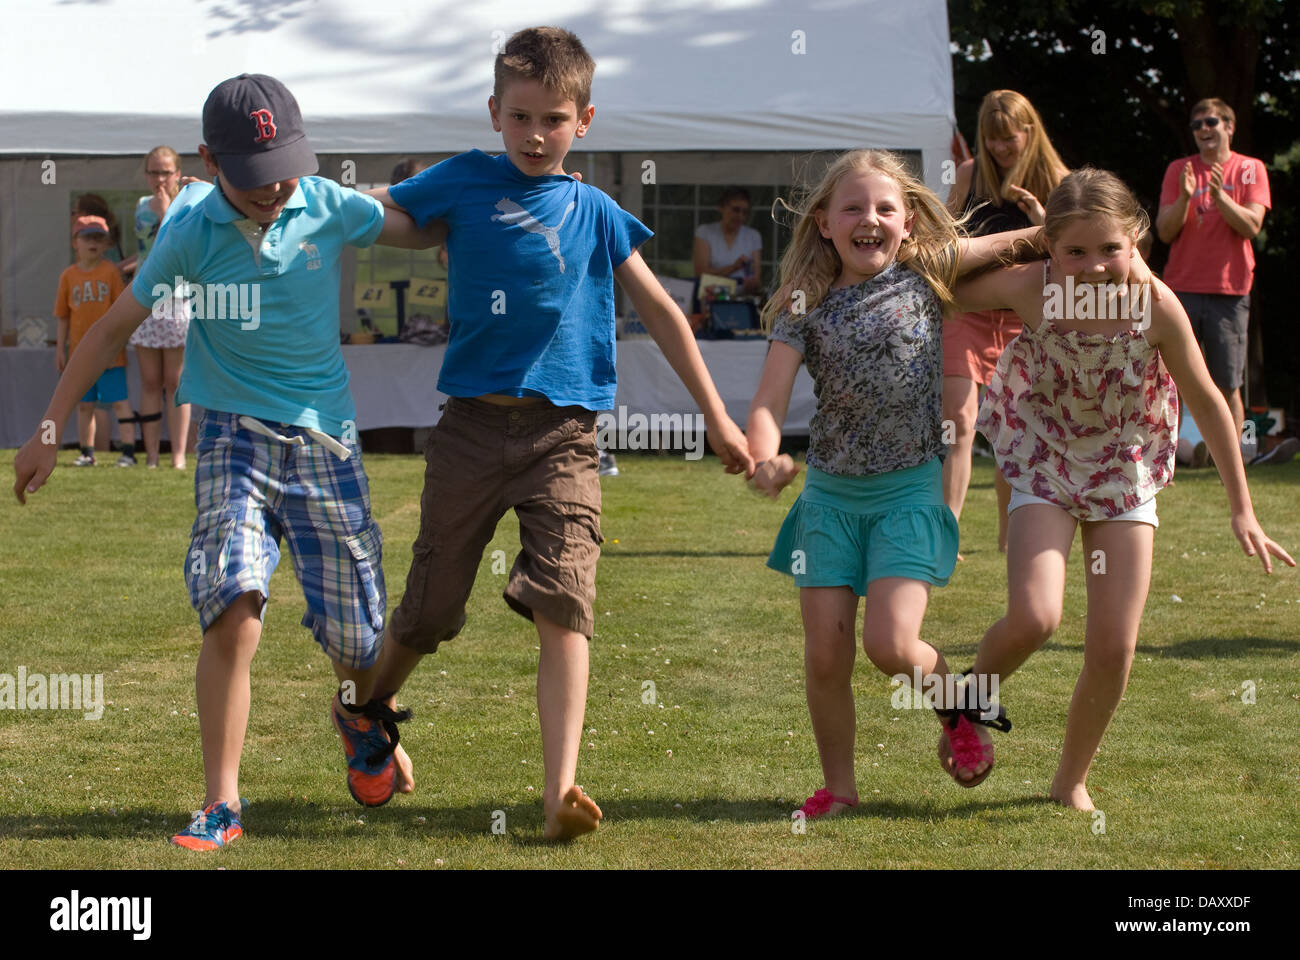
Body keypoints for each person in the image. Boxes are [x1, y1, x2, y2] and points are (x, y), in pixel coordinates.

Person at [14, 73, 444, 849]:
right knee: (233, 604)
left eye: (287, 164)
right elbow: (111, 330)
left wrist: (503, 190)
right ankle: (222, 803)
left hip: (326, 443)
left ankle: (357, 713)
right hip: (232, 438)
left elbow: (421, 228)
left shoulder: (325, 203)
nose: (276, 187)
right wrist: (49, 430)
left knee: (356, 642)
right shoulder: (189, 229)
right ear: (211, 163)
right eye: (255, 175)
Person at [366, 26, 754, 841]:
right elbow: (390, 218)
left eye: (554, 118)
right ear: (494, 114)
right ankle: (365, 707)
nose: (536, 134)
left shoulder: (597, 212)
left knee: (566, 604)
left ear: (584, 120)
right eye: (521, 117)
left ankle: (559, 793)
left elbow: (662, 313)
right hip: (471, 430)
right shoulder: (465, 182)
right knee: (430, 612)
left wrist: (716, 416)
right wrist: (307, 200)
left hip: (567, 439)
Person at [958, 168, 1294, 810]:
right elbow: (942, 282)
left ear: (1136, 238)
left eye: (1110, 248)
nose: (1093, 267)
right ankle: (966, 702)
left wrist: (1242, 508)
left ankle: (1070, 782)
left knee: (1114, 646)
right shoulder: (1034, 287)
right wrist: (1017, 241)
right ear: (1050, 247)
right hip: (1045, 457)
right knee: (1036, 617)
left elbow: (1210, 401)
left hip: (1123, 466)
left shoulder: (1156, 307)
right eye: (1074, 250)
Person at [746, 149, 1042, 819]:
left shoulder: (927, 274)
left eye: (885, 208)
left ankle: (959, 708)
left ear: (909, 222)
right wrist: (765, 456)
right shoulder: (804, 303)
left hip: (908, 493)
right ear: (823, 223)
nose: (869, 220)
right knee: (826, 654)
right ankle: (839, 788)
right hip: (829, 498)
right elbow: (768, 402)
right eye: (852, 208)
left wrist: (1064, 225)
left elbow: (1019, 242)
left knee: (891, 644)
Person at [943, 90, 1069, 554]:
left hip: (1025, 320)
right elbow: (946, 240)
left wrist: (1042, 219)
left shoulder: (1058, 180)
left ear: (1029, 133)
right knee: (957, 420)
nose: (1000, 148)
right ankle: (946, 532)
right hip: (968, 311)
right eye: (992, 140)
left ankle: (1007, 531)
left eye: (1008, 139)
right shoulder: (968, 175)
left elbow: (1076, 255)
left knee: (1013, 430)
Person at [1155, 98, 1273, 463]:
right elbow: (1163, 231)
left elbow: (1252, 225)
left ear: (1229, 126)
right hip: (1181, 289)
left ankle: (1233, 461)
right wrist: (1186, 198)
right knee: (1170, 379)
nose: (1204, 130)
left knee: (1227, 384)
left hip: (1229, 292)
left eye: (1211, 122)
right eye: (1196, 125)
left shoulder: (1250, 169)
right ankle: (1165, 461)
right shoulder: (1179, 169)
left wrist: (1221, 198)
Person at [118, 146, 194, 469]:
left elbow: (183, 244)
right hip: (146, 296)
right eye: (153, 172)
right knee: (150, 380)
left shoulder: (187, 204)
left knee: (174, 381)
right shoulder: (139, 206)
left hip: (177, 296)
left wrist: (167, 211)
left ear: (177, 173)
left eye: (165, 172)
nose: (159, 179)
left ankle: (177, 456)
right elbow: (148, 248)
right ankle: (150, 457)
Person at [54, 215, 137, 468]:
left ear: (106, 244)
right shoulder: (68, 276)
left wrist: (120, 340)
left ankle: (129, 452)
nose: (93, 243)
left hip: (110, 353)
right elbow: (63, 316)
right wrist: (60, 349)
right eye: (87, 237)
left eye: (98, 238)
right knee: (84, 404)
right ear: (75, 243)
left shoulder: (111, 272)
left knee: (120, 402)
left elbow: (123, 309)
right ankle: (87, 453)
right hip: (79, 354)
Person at [694, 186, 762, 295]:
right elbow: (700, 272)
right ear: (721, 207)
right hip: (710, 297)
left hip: (740, 298)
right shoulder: (705, 232)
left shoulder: (753, 236)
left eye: (745, 212)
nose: (740, 216)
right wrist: (734, 267)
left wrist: (752, 283)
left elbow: (756, 279)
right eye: (735, 210)